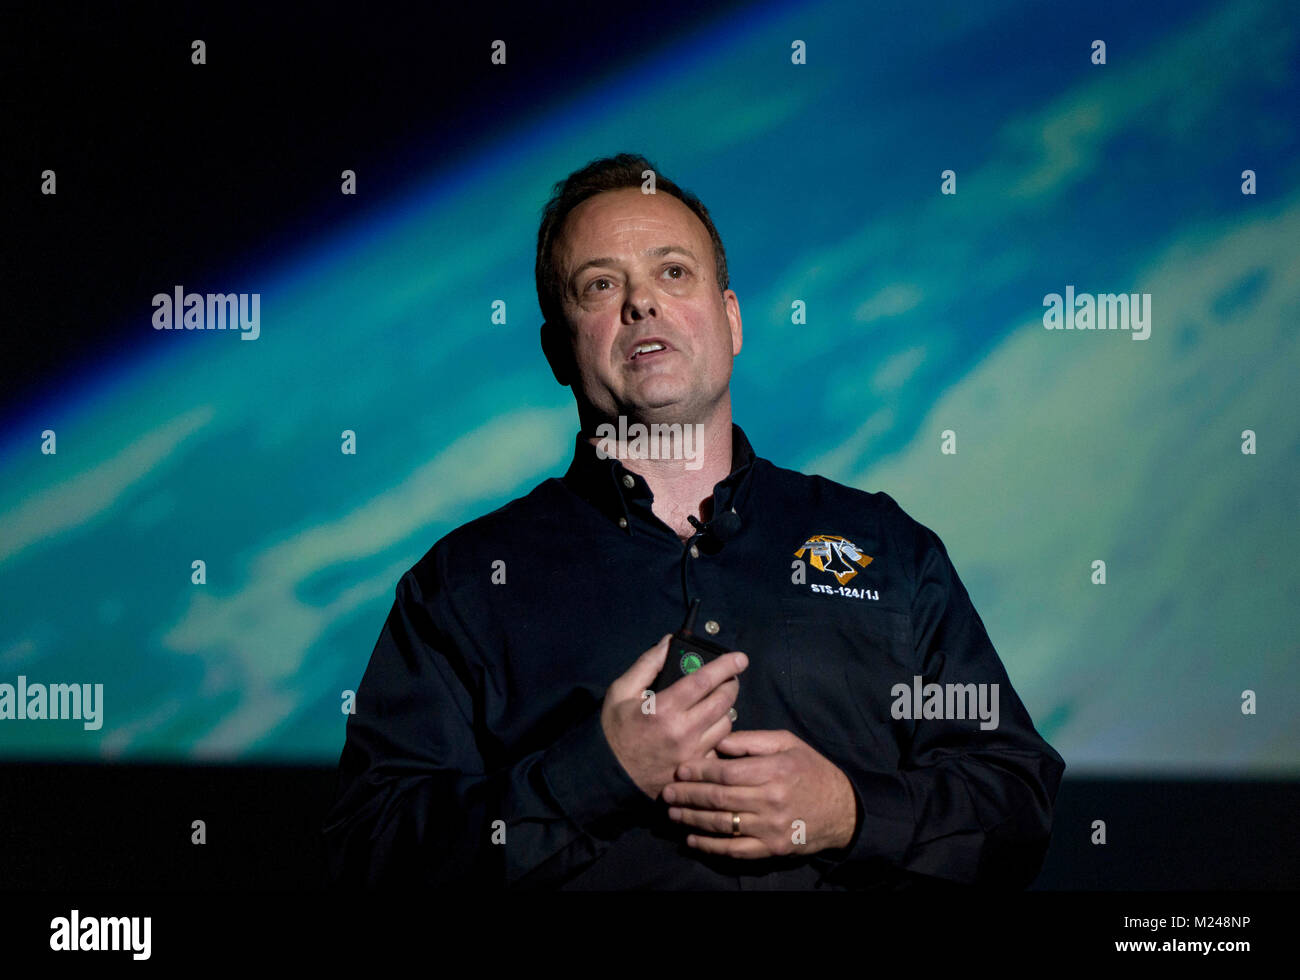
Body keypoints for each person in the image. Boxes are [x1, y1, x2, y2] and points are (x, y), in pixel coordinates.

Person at [321, 152, 1065, 890]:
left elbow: (1015, 800)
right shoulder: (464, 585)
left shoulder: (886, 547)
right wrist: (593, 776)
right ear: (557, 349)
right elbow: (372, 852)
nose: (641, 302)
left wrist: (846, 811)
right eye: (601, 285)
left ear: (731, 319)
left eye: (673, 272)